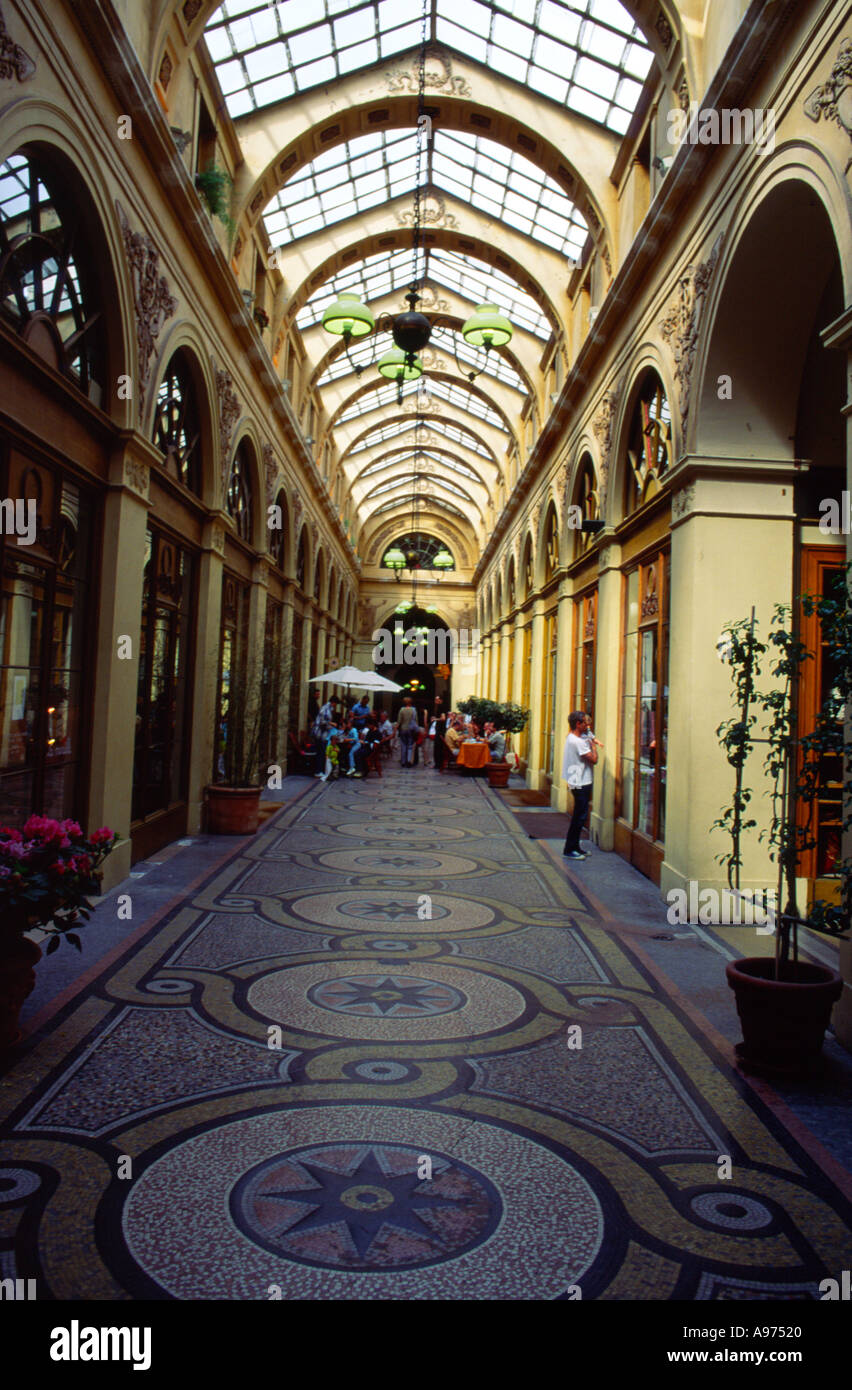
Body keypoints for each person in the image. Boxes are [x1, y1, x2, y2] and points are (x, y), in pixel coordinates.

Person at [562, 711, 600, 859]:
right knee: (579, 816)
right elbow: (594, 760)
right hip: (581, 782)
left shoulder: (571, 737)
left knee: (580, 815)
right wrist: (594, 747)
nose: (588, 725)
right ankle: (570, 849)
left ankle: (575, 847)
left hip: (575, 780)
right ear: (578, 724)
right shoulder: (577, 742)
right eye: (585, 723)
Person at [396, 696, 418, 768]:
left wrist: (396, 728)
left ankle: (403, 761)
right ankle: (409, 760)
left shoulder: (402, 710)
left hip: (403, 729)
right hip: (411, 729)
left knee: (403, 745)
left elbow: (399, 721)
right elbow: (416, 721)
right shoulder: (413, 710)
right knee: (410, 746)